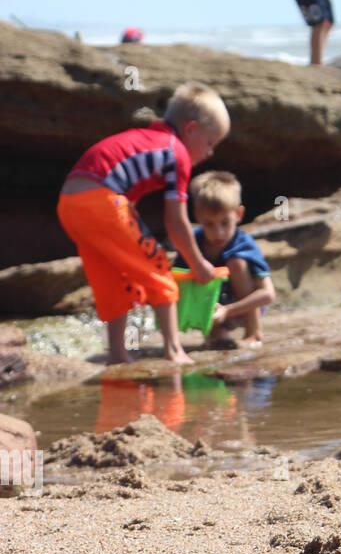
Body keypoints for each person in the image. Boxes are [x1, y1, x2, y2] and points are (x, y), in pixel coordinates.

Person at [57, 83, 229, 365]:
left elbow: (124, 195)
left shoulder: (147, 139)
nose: (210, 153)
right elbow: (176, 221)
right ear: (191, 129)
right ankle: (174, 350)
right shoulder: (177, 154)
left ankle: (117, 353)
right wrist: (196, 263)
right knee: (157, 266)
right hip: (101, 199)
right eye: (210, 143)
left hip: (69, 203)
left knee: (111, 276)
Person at [184, 171, 275, 348]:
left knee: (237, 263)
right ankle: (216, 332)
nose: (218, 233)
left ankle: (253, 332)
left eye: (225, 223)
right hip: (213, 308)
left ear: (239, 214)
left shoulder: (244, 244)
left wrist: (228, 310)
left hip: (244, 306)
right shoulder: (194, 243)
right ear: (197, 216)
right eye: (209, 224)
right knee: (196, 270)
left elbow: (268, 294)